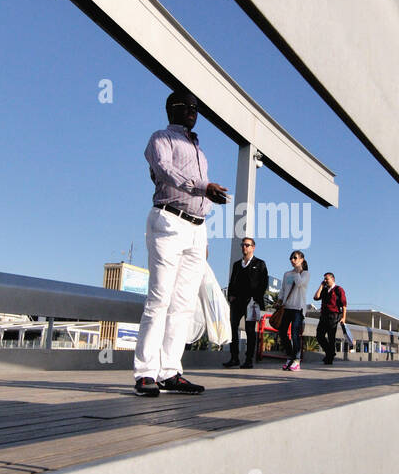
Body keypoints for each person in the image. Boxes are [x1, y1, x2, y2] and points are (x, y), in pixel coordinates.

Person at [132, 90, 229, 397]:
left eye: (195, 107)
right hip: (169, 221)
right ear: (171, 109)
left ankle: (170, 371)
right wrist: (203, 187)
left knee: (184, 305)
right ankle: (145, 372)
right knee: (159, 298)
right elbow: (163, 171)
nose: (192, 111)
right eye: (186, 106)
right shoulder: (161, 138)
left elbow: (199, 191)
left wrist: (206, 211)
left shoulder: (199, 150)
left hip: (196, 230)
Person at [223, 237, 267, 369]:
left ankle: (248, 359)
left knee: (250, 331)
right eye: (243, 245)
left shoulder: (260, 264)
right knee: (233, 329)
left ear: (253, 247)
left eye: (247, 245)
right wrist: (230, 296)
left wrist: (255, 298)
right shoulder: (237, 264)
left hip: (251, 302)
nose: (244, 247)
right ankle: (234, 357)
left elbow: (263, 283)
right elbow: (232, 281)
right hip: (237, 302)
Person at [275, 250, 310, 371]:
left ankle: (296, 360)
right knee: (282, 332)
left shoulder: (305, 274)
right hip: (287, 308)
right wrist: (279, 300)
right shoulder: (287, 274)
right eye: (291, 258)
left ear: (301, 259)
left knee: (295, 334)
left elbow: (300, 283)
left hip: (298, 309)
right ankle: (290, 356)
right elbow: (283, 289)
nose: (292, 260)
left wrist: (297, 271)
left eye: (295, 258)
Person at [314, 272, 347, 365]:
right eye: (324, 279)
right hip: (323, 315)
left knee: (331, 337)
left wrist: (343, 318)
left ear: (332, 279)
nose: (325, 281)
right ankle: (330, 352)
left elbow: (344, 305)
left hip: (333, 316)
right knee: (319, 336)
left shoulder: (338, 289)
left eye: (327, 279)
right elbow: (316, 297)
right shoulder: (324, 290)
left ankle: (329, 358)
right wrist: (321, 286)